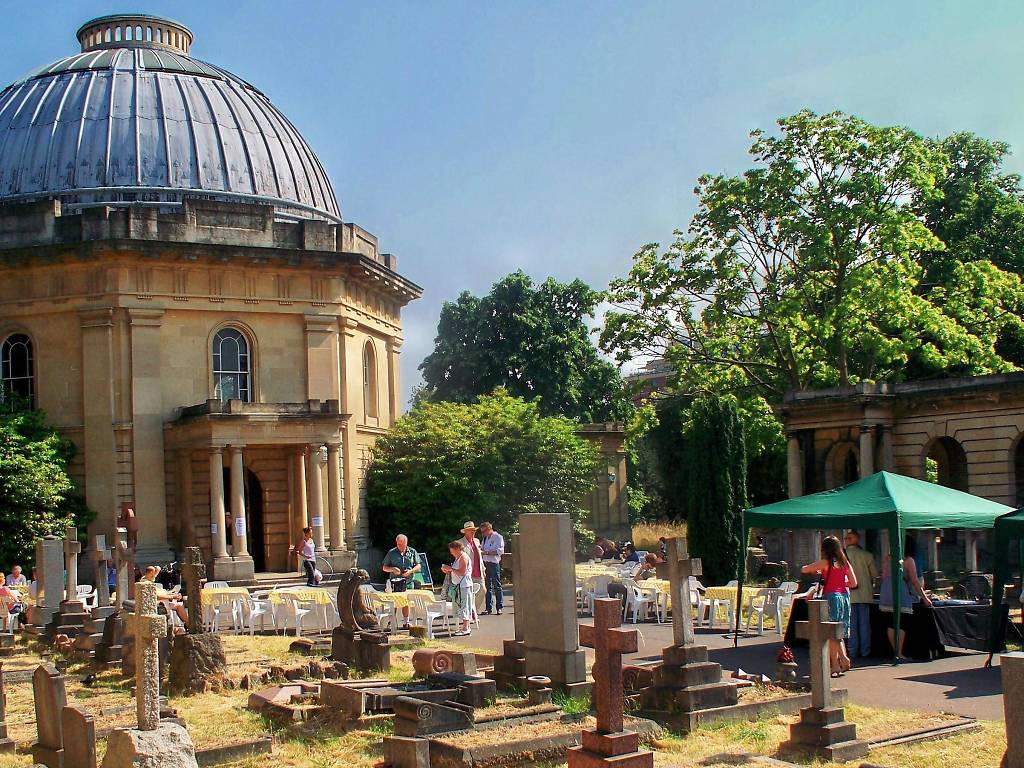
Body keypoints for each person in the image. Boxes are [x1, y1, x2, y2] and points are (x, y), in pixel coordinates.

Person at [801, 535, 857, 677]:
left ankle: (837, 664)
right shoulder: (845, 562)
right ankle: (843, 660)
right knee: (839, 632)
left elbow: (805, 569)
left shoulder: (826, 562)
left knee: (830, 632)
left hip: (831, 597)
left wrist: (816, 570)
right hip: (844, 597)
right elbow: (853, 583)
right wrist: (839, 583)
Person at [879, 536, 932, 660]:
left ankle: (894, 651)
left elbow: (884, 575)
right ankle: (899, 652)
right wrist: (924, 597)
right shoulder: (908, 560)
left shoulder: (888, 558)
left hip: (886, 589)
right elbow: (914, 580)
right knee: (902, 622)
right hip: (899, 589)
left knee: (890, 622)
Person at [843, 530, 878, 658]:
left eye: (847, 538)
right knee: (864, 624)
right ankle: (865, 651)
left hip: (848, 593)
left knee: (851, 624)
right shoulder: (867, 555)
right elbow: (874, 574)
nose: (846, 540)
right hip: (864, 593)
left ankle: (852, 650)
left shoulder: (843, 555)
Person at [382, 534, 422, 628]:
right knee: (394, 602)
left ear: (406, 543)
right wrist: (392, 569)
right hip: (395, 582)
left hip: (408, 581)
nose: (401, 547)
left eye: (403, 545)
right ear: (396, 543)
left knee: (406, 601)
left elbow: (419, 565)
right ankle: (391, 622)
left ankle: (406, 622)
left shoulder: (412, 551)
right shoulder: (391, 553)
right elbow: (384, 567)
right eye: (399, 545)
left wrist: (410, 571)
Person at [441, 539, 472, 635]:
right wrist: (448, 570)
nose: (451, 552)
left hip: (464, 585)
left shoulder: (463, 557)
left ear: (457, 549)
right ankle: (464, 627)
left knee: (464, 605)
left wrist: (450, 568)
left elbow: (462, 572)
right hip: (458, 585)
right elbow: (456, 571)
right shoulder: (458, 557)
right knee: (459, 605)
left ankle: (466, 628)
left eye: (452, 550)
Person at [459, 522, 486, 617]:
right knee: (468, 595)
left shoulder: (477, 541)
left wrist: (483, 569)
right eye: (471, 530)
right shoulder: (460, 543)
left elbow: (480, 556)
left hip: (479, 572)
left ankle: (474, 611)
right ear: (465, 532)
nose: (473, 532)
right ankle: (469, 613)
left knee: (483, 591)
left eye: (474, 530)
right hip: (468, 573)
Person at [479, 522, 505, 616]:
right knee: (487, 587)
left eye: (484, 531)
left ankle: (499, 607)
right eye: (482, 532)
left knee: (497, 585)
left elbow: (500, 551)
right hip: (486, 563)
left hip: (494, 563)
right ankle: (488, 608)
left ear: (490, 529)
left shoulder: (498, 537)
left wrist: (486, 552)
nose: (483, 533)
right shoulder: (485, 538)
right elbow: (481, 549)